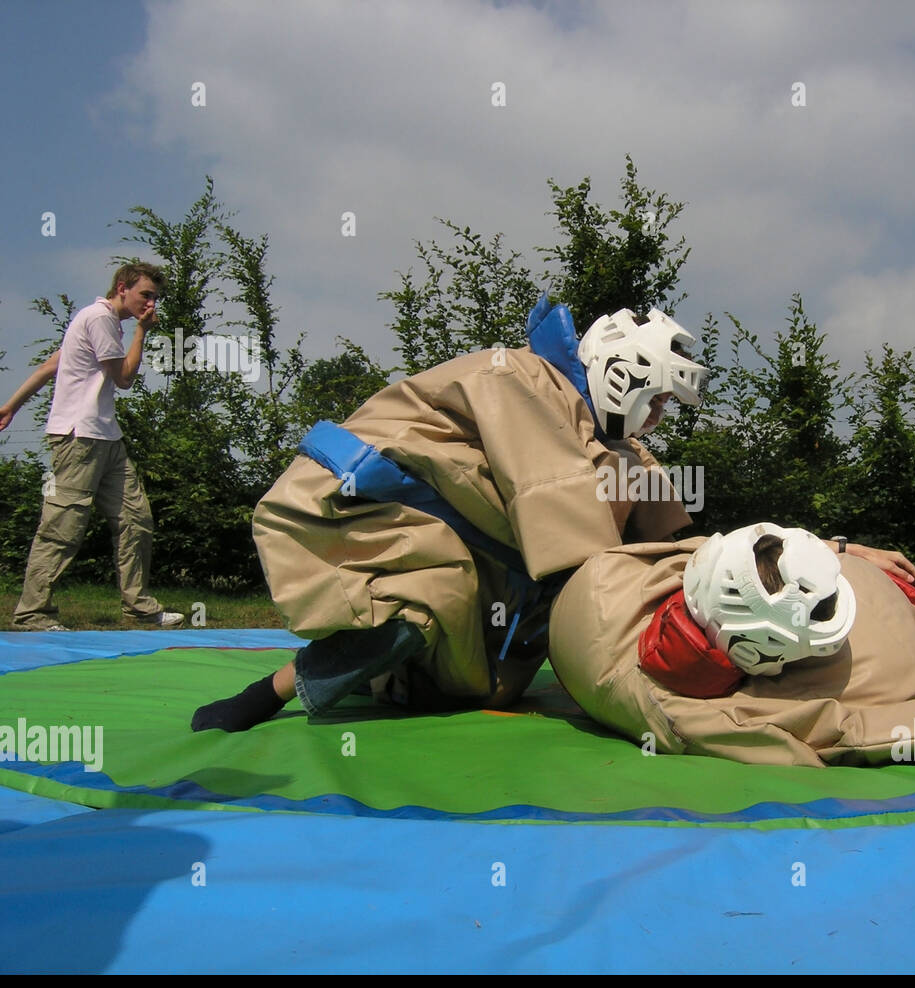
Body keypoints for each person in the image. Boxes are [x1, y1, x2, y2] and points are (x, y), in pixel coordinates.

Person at [191, 296, 703, 731]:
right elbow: (580, 542)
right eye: (655, 400)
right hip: (340, 511)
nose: (656, 418)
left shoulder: (599, 434)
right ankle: (276, 689)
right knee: (432, 596)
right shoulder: (522, 382)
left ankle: (389, 678)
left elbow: (649, 524)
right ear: (622, 374)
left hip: (426, 523)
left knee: (493, 677)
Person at [547, 522, 915, 767]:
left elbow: (757, 544)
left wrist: (845, 551)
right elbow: (836, 733)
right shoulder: (688, 715)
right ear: (764, 654)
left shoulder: (633, 577)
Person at [2, 262, 183, 631]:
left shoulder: (96, 322)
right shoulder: (99, 319)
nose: (150, 304)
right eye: (145, 295)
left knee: (136, 518)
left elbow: (49, 367)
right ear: (122, 288)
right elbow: (125, 378)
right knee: (63, 526)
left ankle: (138, 607)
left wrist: (9, 407)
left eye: (154, 298)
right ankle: (32, 612)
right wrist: (141, 333)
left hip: (106, 439)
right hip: (78, 438)